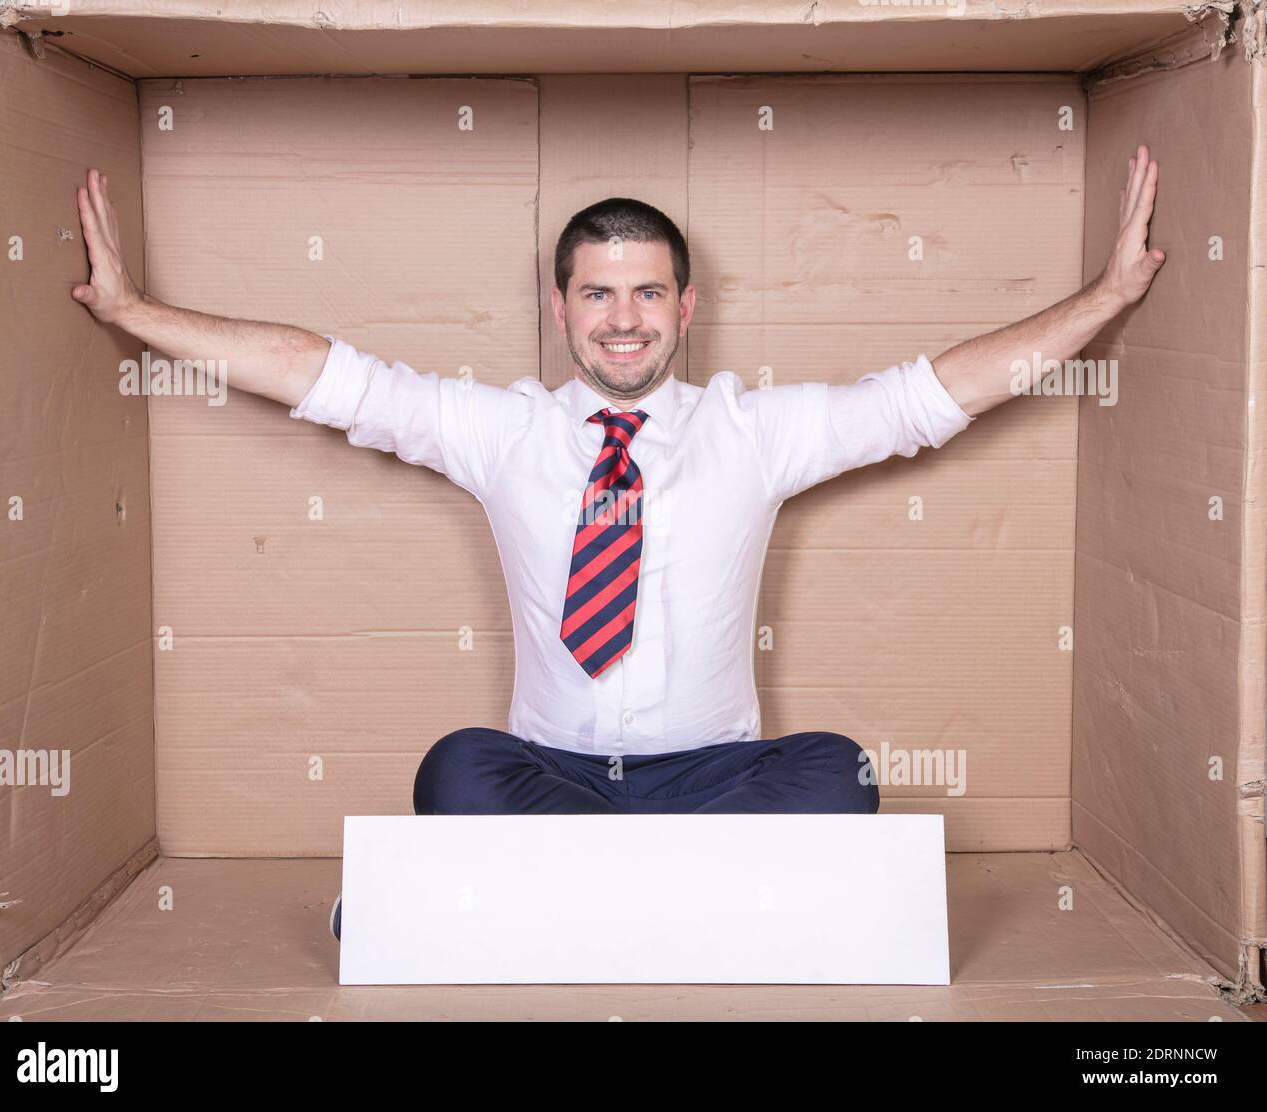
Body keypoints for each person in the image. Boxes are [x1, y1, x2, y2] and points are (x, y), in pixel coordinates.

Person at [71, 148, 1164, 942]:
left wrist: (1108, 296)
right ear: (561, 308)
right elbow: (320, 372)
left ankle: (529, 898)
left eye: (647, 291)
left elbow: (931, 394)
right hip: (553, 777)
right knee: (457, 766)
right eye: (598, 293)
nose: (623, 318)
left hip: (719, 778)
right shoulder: (499, 431)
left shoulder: (751, 429)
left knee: (843, 770)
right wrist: (131, 310)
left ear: (685, 307)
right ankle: (668, 896)